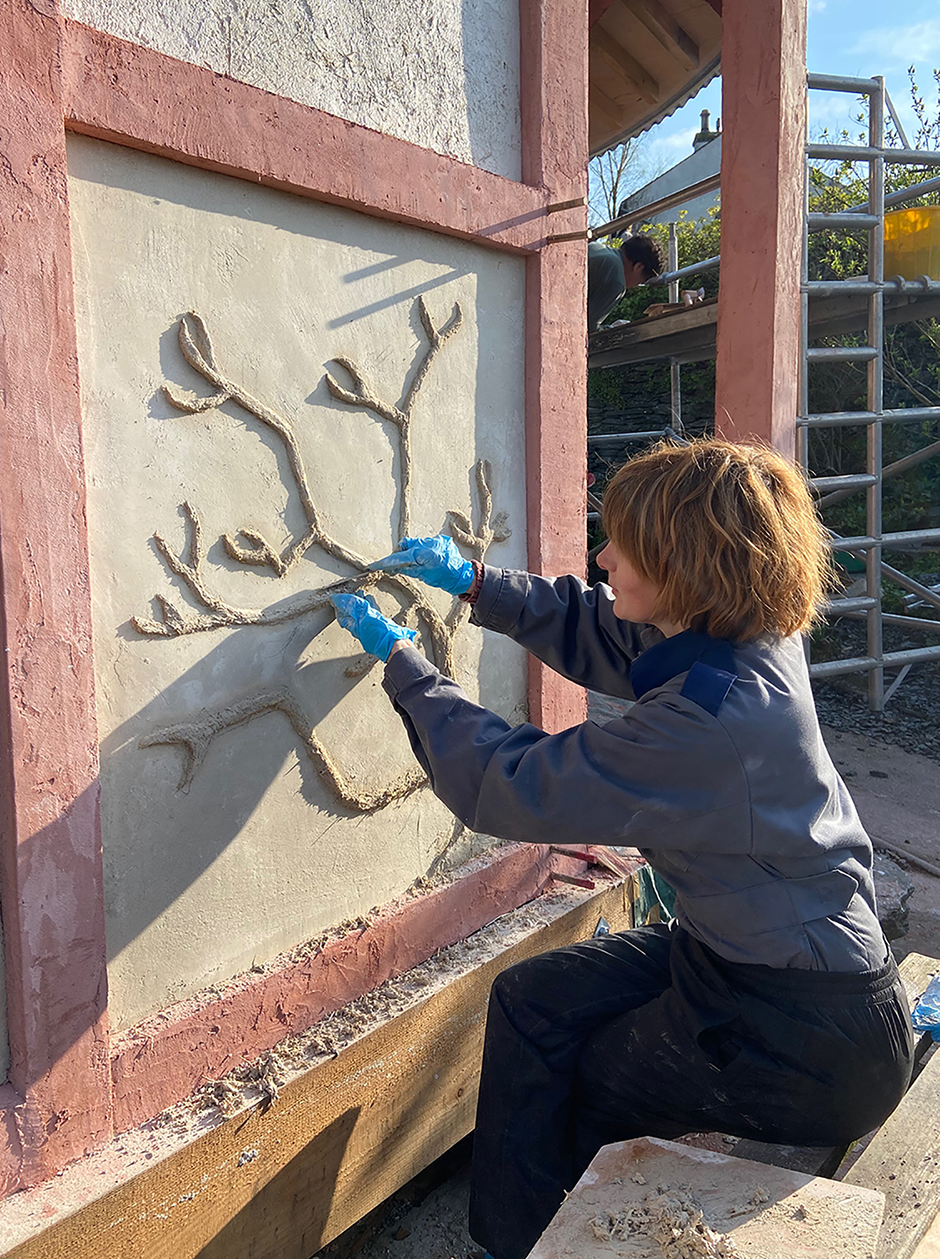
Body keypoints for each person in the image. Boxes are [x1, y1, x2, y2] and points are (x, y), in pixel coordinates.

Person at [329, 437, 914, 1259]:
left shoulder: (712, 722)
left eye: (622, 544)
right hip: (761, 964)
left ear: (685, 566)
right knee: (535, 1001)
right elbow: (607, 630)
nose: (602, 556)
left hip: (808, 1038)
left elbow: (513, 779)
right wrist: (477, 582)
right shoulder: (741, 634)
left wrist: (405, 666)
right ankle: (523, 1228)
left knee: (595, 1081)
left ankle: (530, 1243)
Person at [588, 233, 665, 334]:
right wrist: (613, 329)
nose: (635, 286)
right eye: (641, 282)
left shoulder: (596, 247)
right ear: (638, 267)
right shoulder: (616, 280)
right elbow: (589, 329)